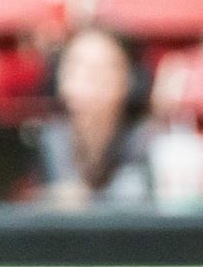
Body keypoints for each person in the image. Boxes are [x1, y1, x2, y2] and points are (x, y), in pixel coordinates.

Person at [29, 27, 152, 208]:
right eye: (78, 66)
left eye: (103, 68)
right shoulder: (45, 140)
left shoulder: (148, 141)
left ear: (130, 79)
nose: (89, 78)